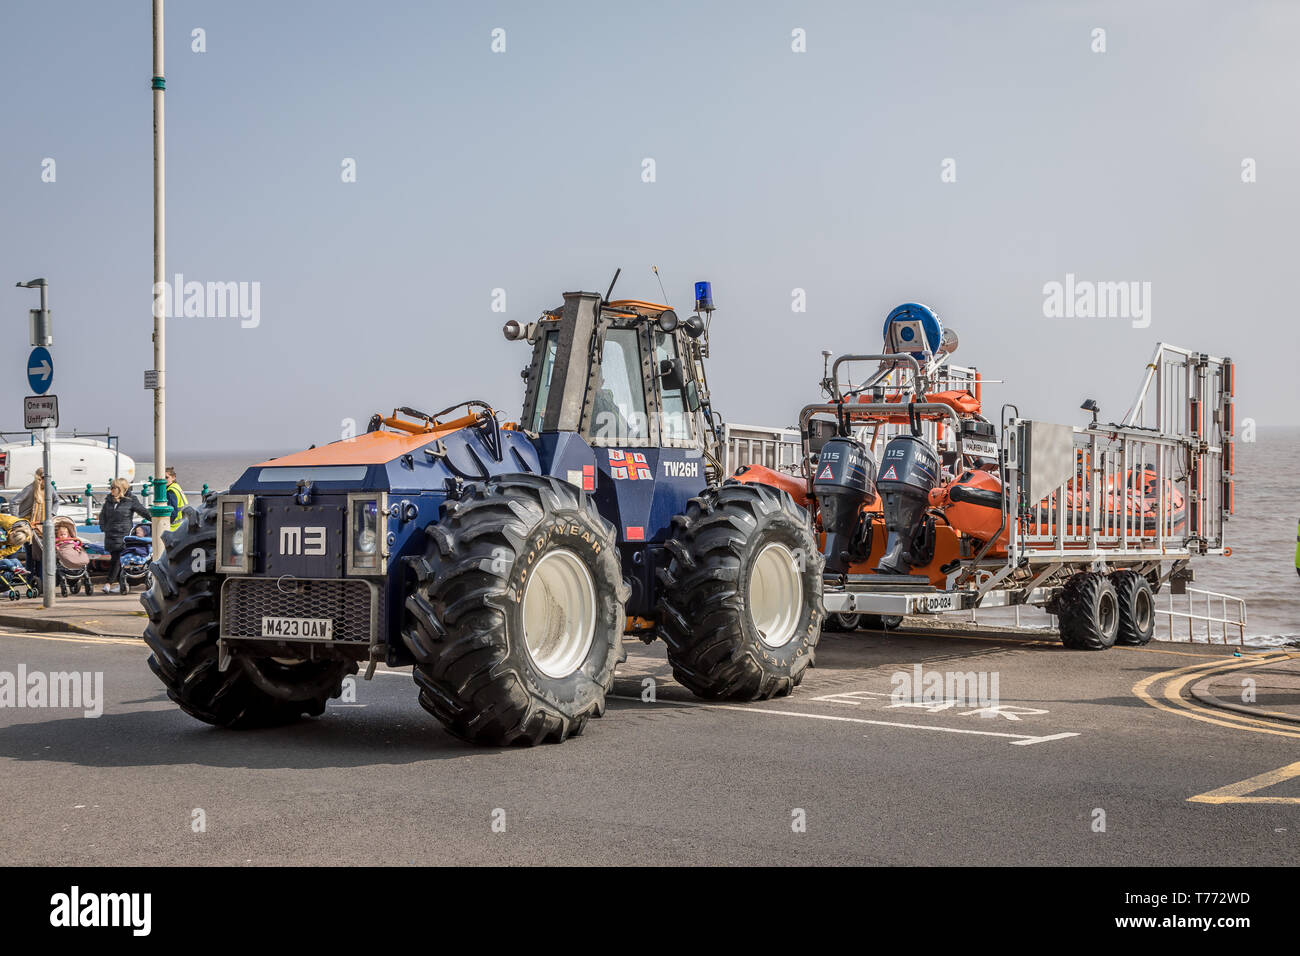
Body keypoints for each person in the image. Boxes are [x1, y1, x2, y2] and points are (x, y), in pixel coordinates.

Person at [98, 478, 150, 594]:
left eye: (113, 488)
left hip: (123, 534)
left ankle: (108, 583)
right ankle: (121, 583)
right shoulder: (109, 500)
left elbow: (143, 511)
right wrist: (104, 528)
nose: (111, 490)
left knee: (117, 558)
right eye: (111, 487)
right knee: (116, 559)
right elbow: (102, 516)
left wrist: (156, 520)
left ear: (121, 489)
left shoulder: (131, 500)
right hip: (110, 534)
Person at [164, 466, 188, 532]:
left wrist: (165, 524)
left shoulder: (170, 491)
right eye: (162, 478)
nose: (164, 480)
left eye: (166, 477)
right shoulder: (176, 486)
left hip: (172, 527)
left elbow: (173, 512)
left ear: (173, 477)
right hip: (179, 524)